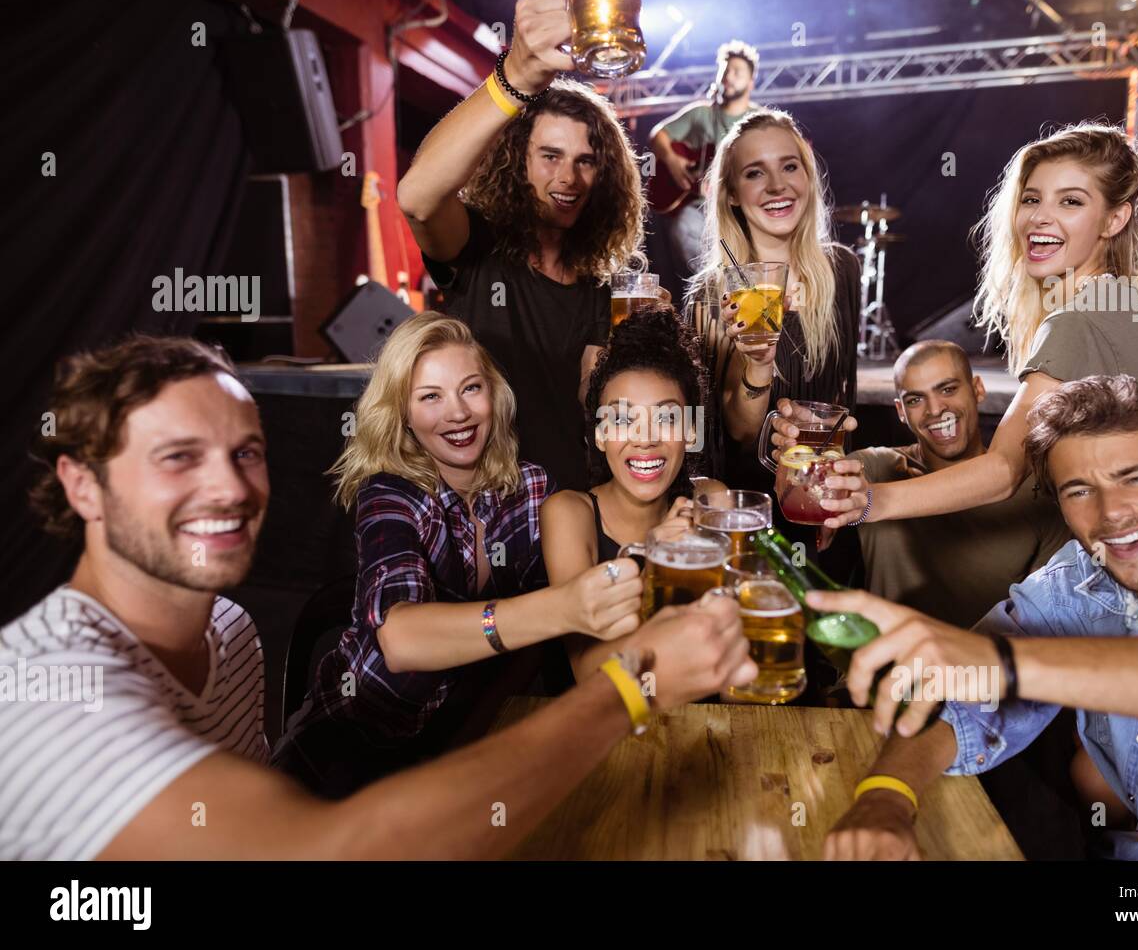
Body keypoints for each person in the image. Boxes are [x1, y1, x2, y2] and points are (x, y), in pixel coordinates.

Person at [0, 334, 756, 860]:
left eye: (247, 453)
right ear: (80, 483)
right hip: (362, 763)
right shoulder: (45, 692)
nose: (228, 487)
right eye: (177, 458)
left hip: (434, 757)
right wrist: (627, 684)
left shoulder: (226, 631)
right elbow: (332, 847)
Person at [819, 375, 1138, 861]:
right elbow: (962, 701)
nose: (1112, 512)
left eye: (1134, 478)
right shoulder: (1080, 583)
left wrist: (1002, 659)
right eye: (1079, 491)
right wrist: (885, 796)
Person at [775, 122, 1138, 530]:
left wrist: (869, 502)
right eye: (1032, 199)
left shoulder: (1078, 320)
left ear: (1115, 219)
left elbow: (1003, 472)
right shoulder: (1126, 301)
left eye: (1070, 201)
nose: (1039, 217)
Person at [275, 313, 653, 795]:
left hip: (456, 746)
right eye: (430, 397)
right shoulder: (392, 493)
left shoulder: (533, 491)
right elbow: (401, 639)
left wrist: (469, 747)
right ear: (403, 414)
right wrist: (560, 608)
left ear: (494, 395)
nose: (458, 413)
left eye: (471, 388)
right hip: (347, 748)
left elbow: (530, 651)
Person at [397, 0, 645, 491]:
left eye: (585, 161)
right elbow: (419, 198)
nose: (568, 177)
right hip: (490, 502)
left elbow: (590, 399)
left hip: (576, 501)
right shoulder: (478, 247)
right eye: (550, 156)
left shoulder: (604, 287)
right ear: (517, 160)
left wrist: (642, 349)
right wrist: (515, 78)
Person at [689, 108, 861, 494]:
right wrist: (758, 362)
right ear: (731, 192)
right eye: (754, 173)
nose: (776, 185)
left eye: (789, 167)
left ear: (808, 176)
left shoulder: (842, 270)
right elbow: (739, 436)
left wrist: (836, 487)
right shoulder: (709, 296)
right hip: (745, 506)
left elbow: (841, 401)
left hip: (823, 497)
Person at [850, 339, 1071, 628]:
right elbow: (818, 491)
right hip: (884, 666)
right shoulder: (877, 468)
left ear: (977, 388)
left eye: (948, 389)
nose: (935, 409)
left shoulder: (1037, 492)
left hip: (983, 668)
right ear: (900, 411)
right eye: (915, 399)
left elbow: (1048, 618)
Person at [542, 309, 710, 680]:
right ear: (599, 434)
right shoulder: (570, 514)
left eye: (667, 418)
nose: (645, 438)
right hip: (601, 730)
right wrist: (650, 564)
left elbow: (734, 662)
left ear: (691, 431)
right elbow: (589, 671)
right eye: (620, 419)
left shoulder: (715, 504)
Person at [649, 39, 762, 278]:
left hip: (742, 211)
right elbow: (658, 136)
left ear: (751, 83)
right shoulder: (702, 114)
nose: (729, 76)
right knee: (683, 227)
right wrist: (673, 162)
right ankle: (713, 287)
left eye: (737, 72)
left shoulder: (760, 121)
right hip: (700, 209)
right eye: (725, 70)